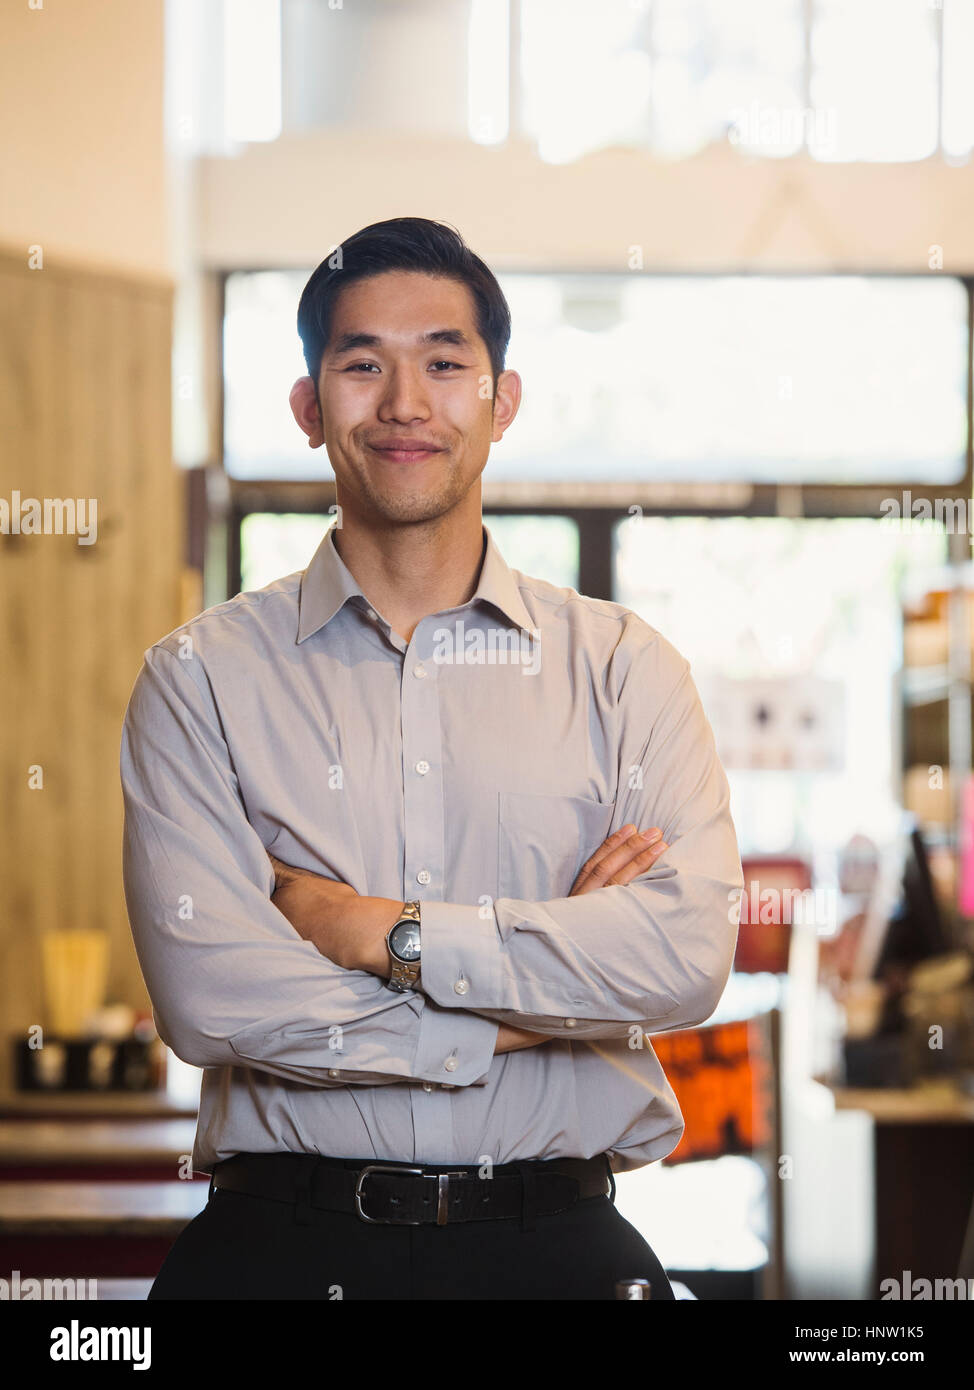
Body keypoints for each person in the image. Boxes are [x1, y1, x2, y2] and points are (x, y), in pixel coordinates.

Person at [121, 216, 744, 1300]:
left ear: (501, 401)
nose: (405, 402)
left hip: (561, 1250)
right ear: (311, 408)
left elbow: (680, 959)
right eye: (362, 364)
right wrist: (524, 1010)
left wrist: (381, 934)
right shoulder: (199, 680)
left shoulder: (624, 671)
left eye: (444, 363)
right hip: (277, 1251)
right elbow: (212, 998)